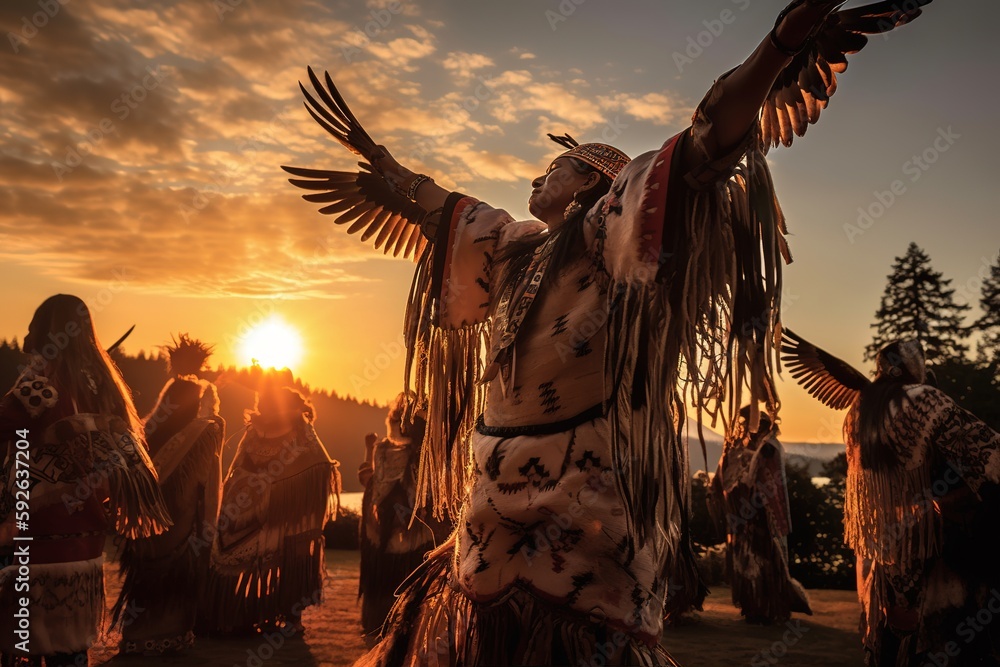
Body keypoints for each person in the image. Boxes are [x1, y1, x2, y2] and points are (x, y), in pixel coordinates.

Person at [284, 2, 932, 663]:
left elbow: (706, 143)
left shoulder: (612, 230)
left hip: (582, 504)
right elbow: (437, 203)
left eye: (555, 169)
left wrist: (778, 47)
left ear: (595, 180)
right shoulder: (513, 245)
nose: (539, 176)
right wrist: (380, 160)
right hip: (487, 509)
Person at [782, 332, 1000, 665]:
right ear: (916, 365)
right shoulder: (925, 399)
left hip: (882, 553)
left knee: (887, 642)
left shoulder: (859, 409)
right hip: (933, 547)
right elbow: (986, 454)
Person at [0, 294, 171, 667]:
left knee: (26, 643)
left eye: (33, 326)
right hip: (87, 538)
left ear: (48, 331)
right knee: (70, 645)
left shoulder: (40, 384)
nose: (27, 334)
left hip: (35, 534)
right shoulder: (106, 389)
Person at [111, 334, 225, 654]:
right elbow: (207, 477)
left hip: (151, 509)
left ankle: (138, 636)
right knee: (174, 570)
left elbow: (145, 439)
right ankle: (170, 633)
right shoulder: (204, 425)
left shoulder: (160, 417)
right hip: (180, 507)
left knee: (149, 570)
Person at [202, 384, 341, 635]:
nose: (263, 406)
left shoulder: (301, 429)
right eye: (262, 402)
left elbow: (318, 465)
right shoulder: (254, 431)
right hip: (242, 506)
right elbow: (239, 463)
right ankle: (233, 615)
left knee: (286, 558)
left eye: (267, 402)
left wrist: (285, 492)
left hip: (281, 512)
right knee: (229, 557)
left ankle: (286, 617)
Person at [357, 393, 452, 646]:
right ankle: (391, 627)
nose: (401, 426)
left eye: (405, 421)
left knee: (406, 585)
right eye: (398, 420)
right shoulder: (390, 451)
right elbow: (372, 483)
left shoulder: (429, 454)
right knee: (391, 584)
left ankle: (406, 627)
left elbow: (371, 482)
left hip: (407, 533)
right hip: (390, 532)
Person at [709, 406, 811, 624]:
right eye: (744, 423)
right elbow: (725, 479)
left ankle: (769, 608)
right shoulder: (737, 447)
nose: (746, 428)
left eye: (751, 423)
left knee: (765, 563)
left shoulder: (769, 448)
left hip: (762, 518)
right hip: (741, 519)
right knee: (744, 562)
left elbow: (765, 483)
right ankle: (751, 606)